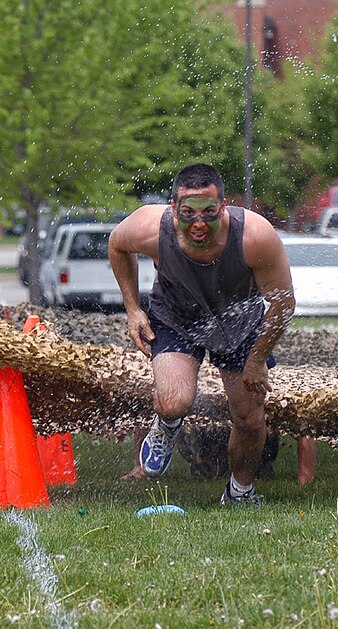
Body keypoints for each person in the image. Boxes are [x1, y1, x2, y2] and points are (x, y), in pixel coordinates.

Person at [108, 163, 295, 506]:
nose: (198, 223)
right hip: (176, 317)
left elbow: (283, 303)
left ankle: (239, 491)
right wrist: (133, 309)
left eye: (209, 212)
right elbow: (117, 245)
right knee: (173, 400)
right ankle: (167, 425)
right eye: (188, 213)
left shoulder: (254, 237)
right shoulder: (151, 227)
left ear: (224, 206)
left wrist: (256, 360)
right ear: (173, 207)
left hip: (240, 323)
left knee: (249, 418)